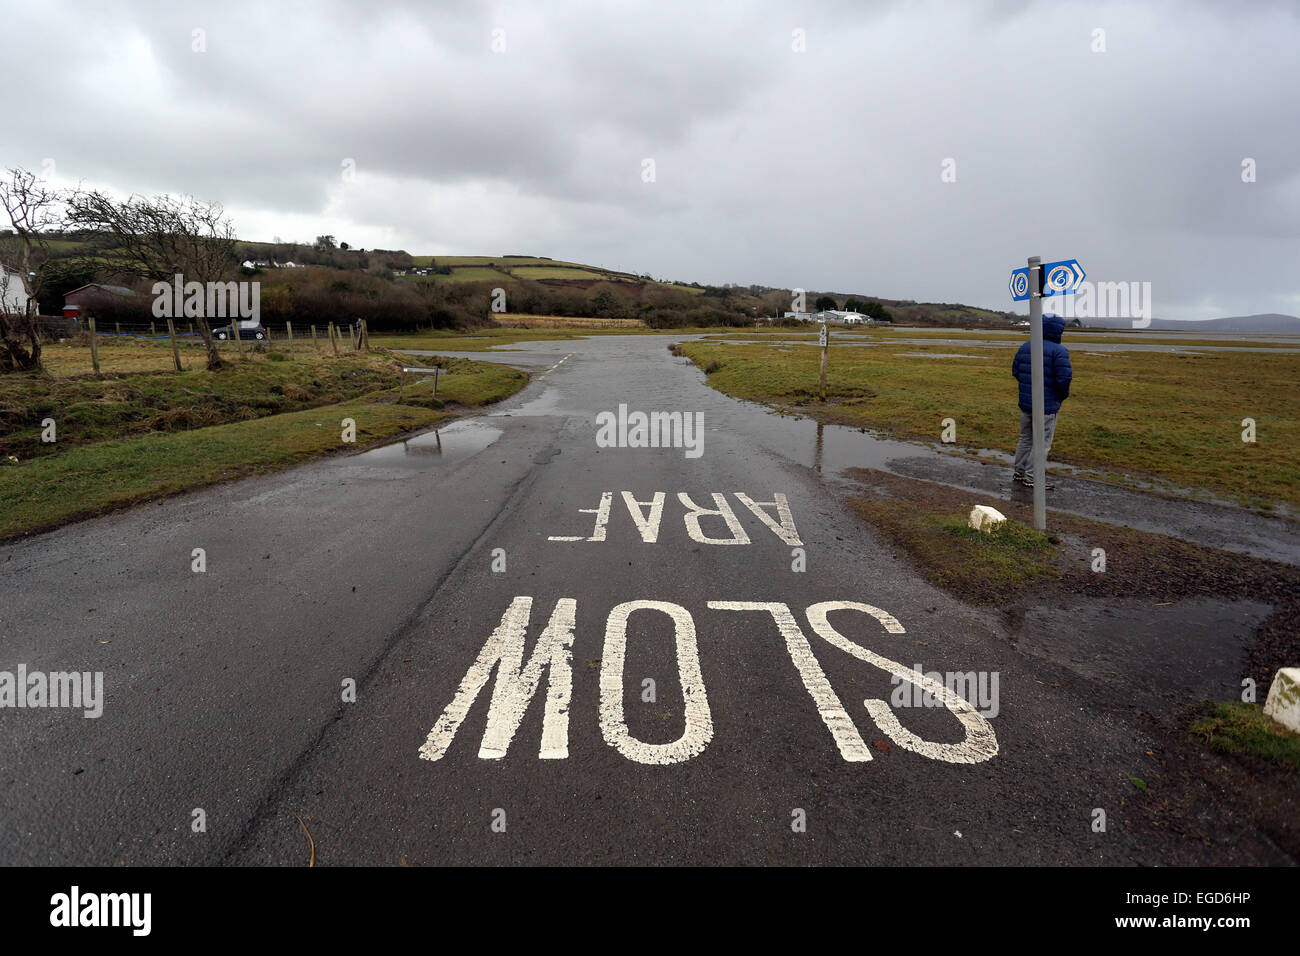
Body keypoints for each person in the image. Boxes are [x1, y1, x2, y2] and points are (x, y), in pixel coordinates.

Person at [1011, 313, 1072, 488]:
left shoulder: (1025, 347)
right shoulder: (1060, 351)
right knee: (1042, 443)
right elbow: (1064, 379)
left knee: (1025, 438)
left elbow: (1016, 371)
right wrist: (1061, 396)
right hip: (1047, 406)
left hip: (1026, 403)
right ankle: (1033, 477)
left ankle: (1020, 471)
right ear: (1058, 331)